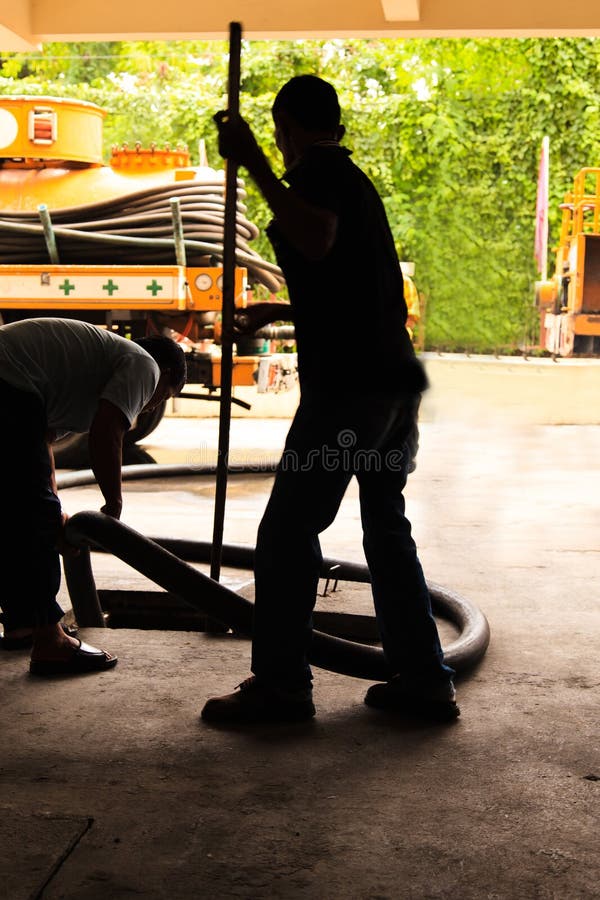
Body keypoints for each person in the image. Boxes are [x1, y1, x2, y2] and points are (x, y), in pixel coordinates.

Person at [201, 75, 458, 726]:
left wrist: (252, 160)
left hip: (350, 392)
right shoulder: (353, 181)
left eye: (275, 136)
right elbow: (352, 291)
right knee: (385, 529)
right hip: (393, 388)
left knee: (287, 533)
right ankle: (425, 679)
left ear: (286, 127)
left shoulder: (314, 174)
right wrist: (278, 311)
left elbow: (313, 239)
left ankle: (282, 688)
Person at [0, 317, 186, 675]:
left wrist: (55, 512)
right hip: (7, 381)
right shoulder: (144, 364)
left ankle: (23, 622)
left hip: (9, 379)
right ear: (164, 375)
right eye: (165, 395)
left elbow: (43, 444)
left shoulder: (82, 378)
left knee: (14, 515)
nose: (151, 405)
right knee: (33, 519)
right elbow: (108, 433)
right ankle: (50, 640)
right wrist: (112, 508)